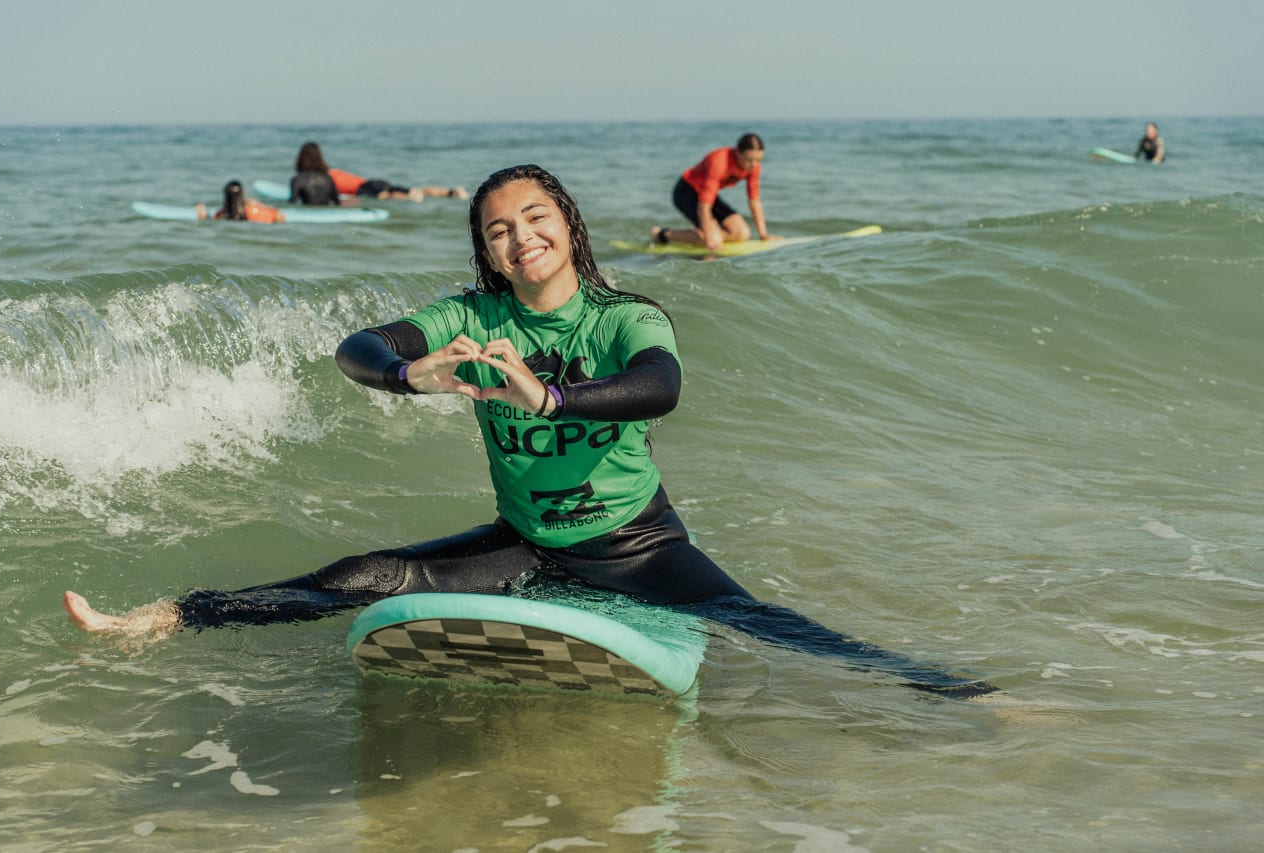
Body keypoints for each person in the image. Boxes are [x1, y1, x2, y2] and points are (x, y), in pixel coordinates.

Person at [64, 164, 995, 699]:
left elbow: (659, 388)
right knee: (363, 576)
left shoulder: (624, 317)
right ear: (488, 251)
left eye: (534, 218)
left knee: (769, 625)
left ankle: (956, 692)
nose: (519, 238)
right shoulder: (472, 316)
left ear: (568, 227)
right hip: (528, 541)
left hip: (637, 544)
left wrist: (546, 400)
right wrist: (411, 374)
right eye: (499, 230)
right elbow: (358, 349)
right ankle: (173, 615)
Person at [652, 133, 777, 253]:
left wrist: (763, 234)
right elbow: (703, 207)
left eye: (758, 160)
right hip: (685, 192)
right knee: (713, 238)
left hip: (707, 194)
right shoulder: (719, 162)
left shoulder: (754, 166)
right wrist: (710, 240)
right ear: (737, 153)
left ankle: (706, 235)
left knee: (742, 233)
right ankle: (662, 234)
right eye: (749, 160)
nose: (754, 165)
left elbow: (754, 201)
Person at [292, 141, 468, 204]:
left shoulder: (324, 179)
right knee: (417, 189)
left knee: (385, 196)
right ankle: (452, 192)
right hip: (371, 182)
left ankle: (408, 198)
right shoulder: (332, 171)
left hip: (364, 188)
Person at [196, 180, 285, 223]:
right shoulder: (254, 210)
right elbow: (280, 217)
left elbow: (213, 223)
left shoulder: (222, 214)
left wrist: (203, 217)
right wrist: (259, 204)